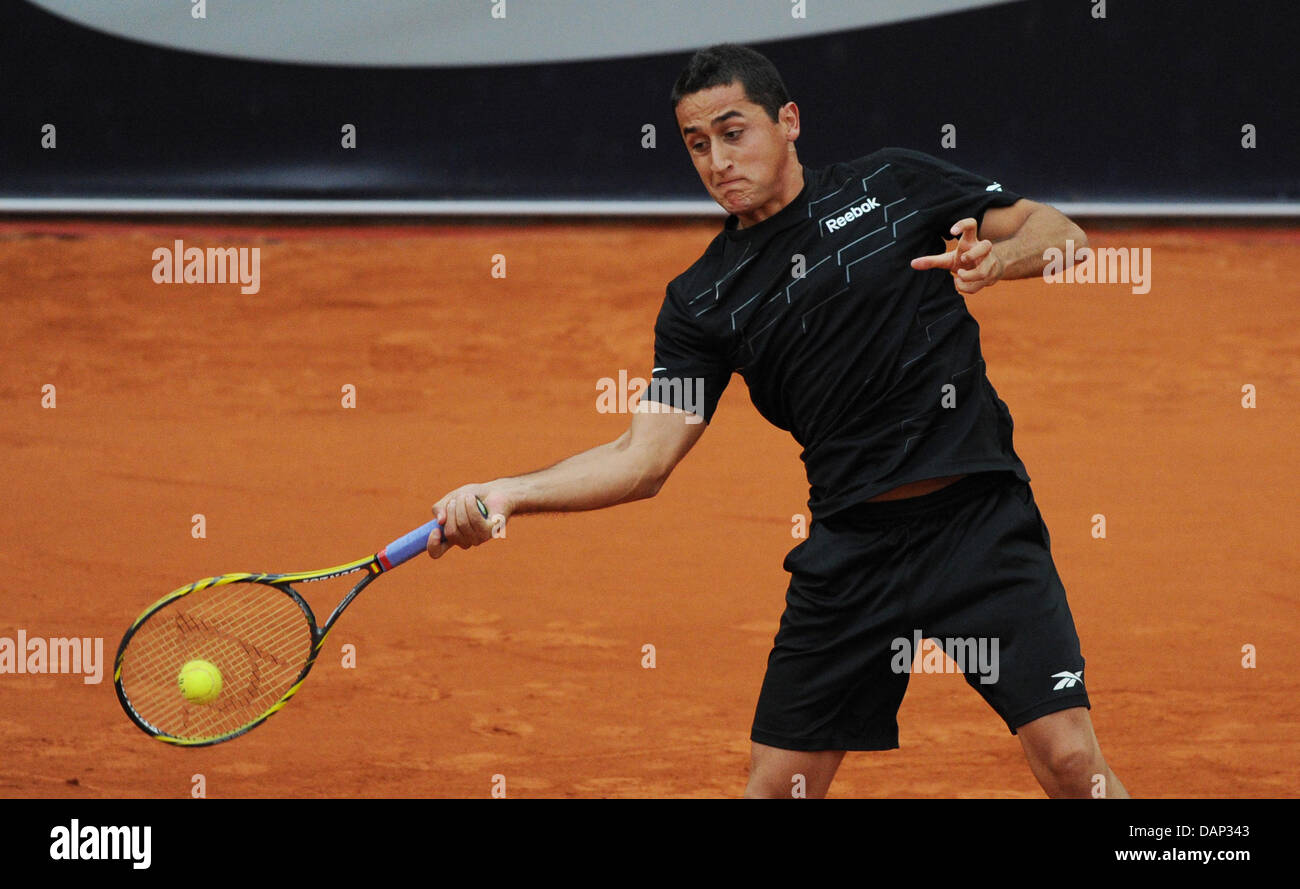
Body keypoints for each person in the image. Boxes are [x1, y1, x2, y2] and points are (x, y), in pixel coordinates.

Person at [427, 43, 1128, 799]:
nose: (717, 160)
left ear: (788, 121)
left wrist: (1000, 260)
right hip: (853, 555)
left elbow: (1062, 233)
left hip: (981, 528)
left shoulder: (892, 184)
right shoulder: (703, 298)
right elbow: (643, 457)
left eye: (734, 132)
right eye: (697, 144)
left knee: (1069, 762)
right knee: (777, 787)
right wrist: (508, 492)